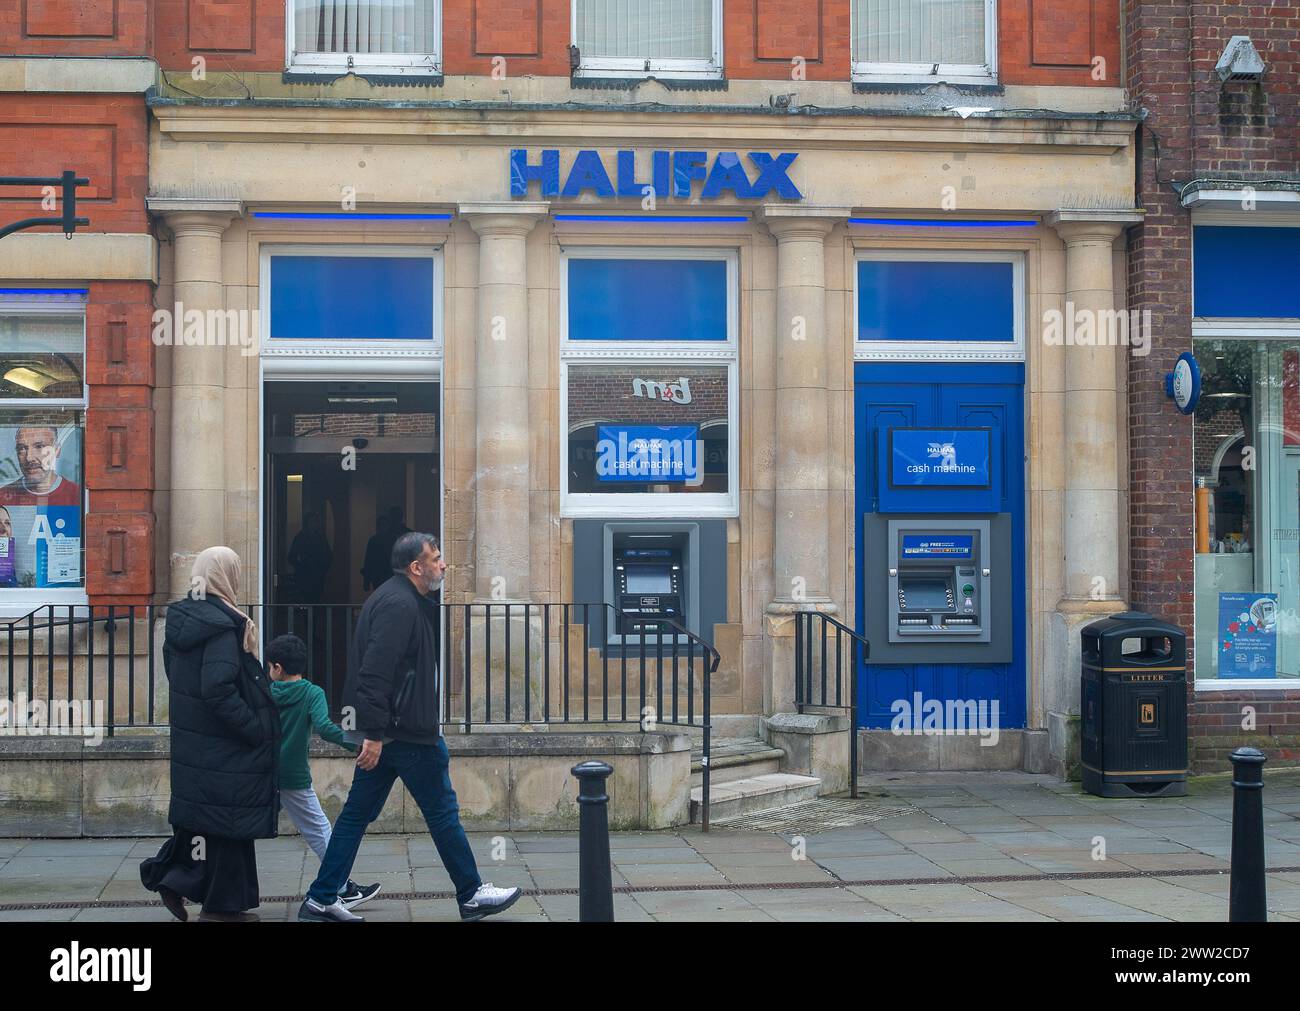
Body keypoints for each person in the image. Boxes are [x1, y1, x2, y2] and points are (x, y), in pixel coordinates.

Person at [298, 532, 521, 923]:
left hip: (392, 733)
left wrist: (375, 733)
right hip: (405, 734)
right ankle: (470, 893)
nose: (443, 564)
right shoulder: (399, 605)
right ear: (416, 567)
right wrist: (374, 733)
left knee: (355, 816)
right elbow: (375, 673)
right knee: (443, 813)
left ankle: (321, 898)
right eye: (436, 559)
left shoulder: (399, 598)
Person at [140, 546, 280, 922]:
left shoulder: (184, 619)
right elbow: (217, 689)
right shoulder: (220, 626)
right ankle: (219, 908)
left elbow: (180, 678)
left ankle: (181, 882)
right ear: (224, 576)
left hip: (197, 740)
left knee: (209, 822)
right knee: (228, 822)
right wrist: (253, 728)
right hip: (223, 742)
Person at [265, 633, 380, 911]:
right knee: (319, 830)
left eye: (269, 666)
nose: (269, 671)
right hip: (293, 776)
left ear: (277, 668)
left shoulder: (266, 692)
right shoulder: (311, 692)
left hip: (263, 773)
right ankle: (341, 887)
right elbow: (326, 728)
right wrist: (357, 744)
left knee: (240, 830)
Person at [0, 425, 81, 506]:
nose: (29, 458)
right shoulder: (2, 497)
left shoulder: (77, 495)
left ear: (57, 450)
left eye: (39, 446)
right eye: (22, 448)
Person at [287, 512, 333, 603]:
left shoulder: (321, 538)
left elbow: (329, 556)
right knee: (305, 603)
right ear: (307, 523)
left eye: (315, 521)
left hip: (318, 577)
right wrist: (301, 565)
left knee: (316, 602)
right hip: (303, 577)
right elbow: (291, 557)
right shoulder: (300, 538)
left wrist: (323, 568)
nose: (314, 524)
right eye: (312, 521)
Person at [360, 513, 392, 592]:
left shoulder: (375, 540)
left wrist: (366, 580)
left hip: (383, 575)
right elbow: (368, 560)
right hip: (383, 575)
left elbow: (368, 560)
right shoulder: (391, 540)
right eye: (382, 525)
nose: (383, 527)